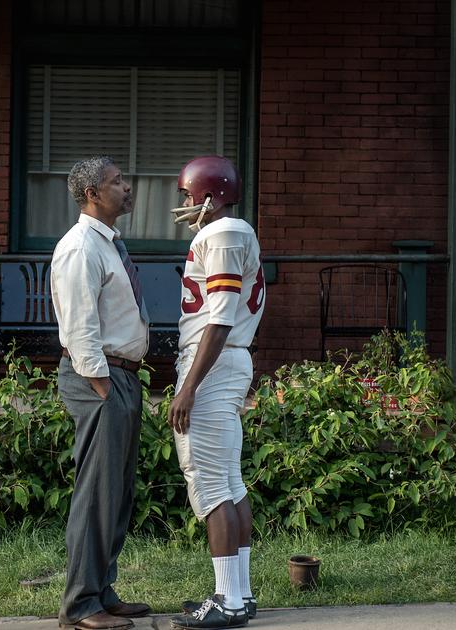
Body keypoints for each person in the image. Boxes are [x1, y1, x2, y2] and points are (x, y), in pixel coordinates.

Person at [51, 156, 152, 630]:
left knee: (116, 493)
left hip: (118, 377)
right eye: (117, 182)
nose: (127, 187)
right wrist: (102, 385)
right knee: (96, 494)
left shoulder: (107, 244)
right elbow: (78, 325)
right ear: (92, 193)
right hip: (100, 379)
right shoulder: (79, 248)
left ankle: (102, 589)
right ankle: (81, 604)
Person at [164, 157, 264, 629]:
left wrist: (189, 387)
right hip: (227, 362)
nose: (185, 203)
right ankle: (238, 595)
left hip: (213, 364)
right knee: (229, 480)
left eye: (189, 194)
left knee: (209, 483)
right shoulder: (234, 231)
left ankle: (227, 601)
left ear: (210, 193)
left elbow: (219, 319)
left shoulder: (222, 234)